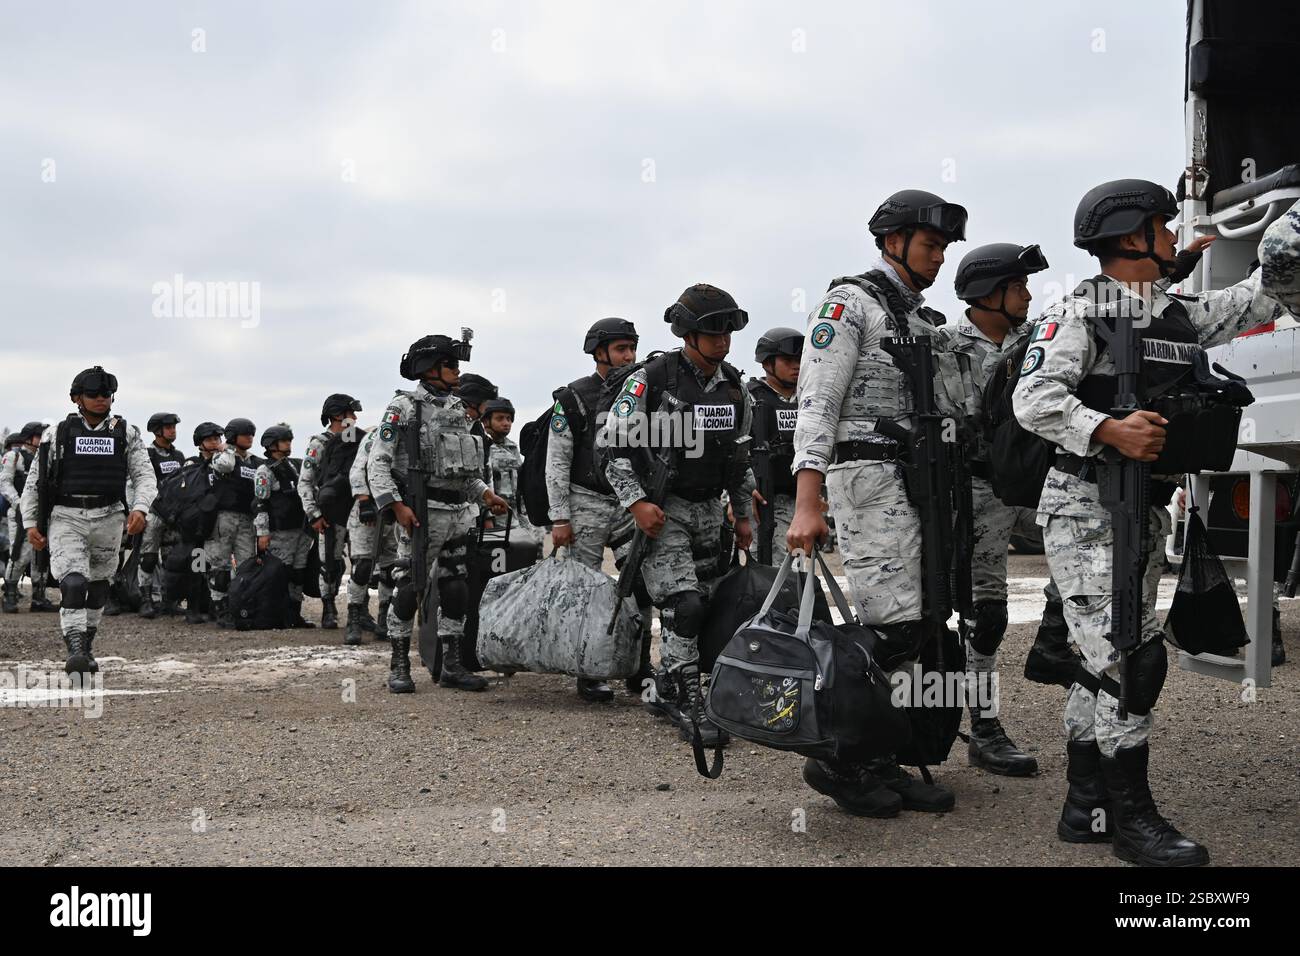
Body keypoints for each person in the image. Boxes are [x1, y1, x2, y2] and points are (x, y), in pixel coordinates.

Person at [1014, 182, 1300, 866]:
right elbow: (1034, 396)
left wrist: (1287, 237)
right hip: (1085, 505)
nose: (1176, 237)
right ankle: (1131, 821)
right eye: (1163, 227)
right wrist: (1107, 427)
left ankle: (1087, 805)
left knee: (1100, 658)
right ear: (1130, 236)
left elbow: (1259, 299)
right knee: (1129, 661)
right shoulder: (1082, 309)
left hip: (1137, 506)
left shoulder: (1171, 313)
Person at [787, 188, 969, 817]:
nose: (940, 257)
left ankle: (884, 754)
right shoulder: (848, 305)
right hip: (866, 478)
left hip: (920, 480)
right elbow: (816, 403)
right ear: (893, 241)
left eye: (945, 248)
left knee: (920, 623)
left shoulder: (919, 317)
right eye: (930, 244)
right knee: (890, 626)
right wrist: (807, 501)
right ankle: (840, 757)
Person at [599, 285, 755, 747]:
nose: (723, 338)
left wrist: (742, 516)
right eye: (713, 330)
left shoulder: (734, 387)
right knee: (683, 605)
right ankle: (689, 700)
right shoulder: (652, 379)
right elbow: (613, 448)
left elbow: (740, 461)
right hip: (662, 508)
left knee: (706, 604)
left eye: (729, 329)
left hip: (712, 509)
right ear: (688, 333)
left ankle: (669, 679)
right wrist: (636, 503)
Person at [366, 333, 508, 693]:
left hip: (459, 511)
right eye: (451, 365)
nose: (458, 372)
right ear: (430, 368)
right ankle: (399, 664)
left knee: (456, 587)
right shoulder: (404, 407)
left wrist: (486, 494)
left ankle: (452, 665)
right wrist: (395, 505)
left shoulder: (459, 409)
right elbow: (378, 462)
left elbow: (465, 469)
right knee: (410, 587)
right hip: (421, 512)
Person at [19, 367, 156, 673]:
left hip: (109, 517)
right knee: (73, 582)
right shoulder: (58, 434)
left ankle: (87, 642)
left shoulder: (127, 433)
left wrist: (141, 508)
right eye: (92, 394)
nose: (100, 400)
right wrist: (30, 524)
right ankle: (76, 649)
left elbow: (145, 475)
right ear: (76, 398)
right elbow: (34, 482)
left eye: (105, 395)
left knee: (98, 587)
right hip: (66, 518)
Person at [546, 318, 654, 701]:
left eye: (632, 348)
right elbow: (557, 461)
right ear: (598, 352)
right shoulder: (573, 398)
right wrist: (560, 517)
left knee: (641, 585)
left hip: (630, 505)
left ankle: (640, 667)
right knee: (585, 591)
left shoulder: (644, 390)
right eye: (621, 349)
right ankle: (588, 669)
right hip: (585, 503)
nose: (629, 355)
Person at [298, 394, 368, 631]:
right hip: (330, 514)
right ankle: (329, 608)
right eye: (351, 413)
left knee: (362, 561)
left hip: (357, 510)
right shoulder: (319, 443)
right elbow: (305, 482)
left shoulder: (359, 441)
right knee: (329, 563)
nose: (355, 418)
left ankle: (362, 610)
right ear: (338, 416)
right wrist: (314, 514)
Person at [747, 327, 804, 566]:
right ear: (768, 363)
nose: (797, 366)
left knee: (796, 570)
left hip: (800, 499)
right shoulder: (750, 397)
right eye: (788, 360)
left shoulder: (809, 397)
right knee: (768, 568)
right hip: (762, 500)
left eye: (800, 360)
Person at [253, 424, 314, 627]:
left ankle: (294, 614)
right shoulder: (264, 471)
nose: (288, 444)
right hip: (280, 532)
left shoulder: (294, 466)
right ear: (272, 445)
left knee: (298, 573)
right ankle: (280, 614)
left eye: (289, 440)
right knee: (282, 573)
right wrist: (262, 533)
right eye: (284, 441)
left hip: (301, 529)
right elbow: (260, 503)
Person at [206, 418, 260, 628]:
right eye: (245, 433)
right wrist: (227, 448)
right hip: (224, 517)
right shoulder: (223, 456)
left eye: (251, 434)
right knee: (220, 567)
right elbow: (227, 467)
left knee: (246, 566)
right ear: (233, 436)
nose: (249, 437)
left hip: (247, 518)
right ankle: (220, 607)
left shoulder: (254, 461)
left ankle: (240, 606)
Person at [344, 423, 393, 645]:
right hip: (370, 510)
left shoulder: (415, 436)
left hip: (396, 509)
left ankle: (384, 618)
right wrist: (363, 500)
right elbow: (357, 468)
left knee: (391, 568)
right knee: (363, 566)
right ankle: (353, 618)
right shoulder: (377, 435)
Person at [137, 412, 187, 618]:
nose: (173, 430)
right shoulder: (148, 454)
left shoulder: (179, 456)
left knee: (172, 560)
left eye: (174, 427)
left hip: (173, 515)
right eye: (168, 427)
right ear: (157, 431)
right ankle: (146, 600)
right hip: (154, 512)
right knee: (148, 558)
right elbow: (139, 482)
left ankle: (169, 600)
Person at [2, 422, 56, 613]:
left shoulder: (45, 457)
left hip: (42, 513)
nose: (43, 439)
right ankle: (9, 595)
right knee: (20, 553)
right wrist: (19, 503)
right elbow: (5, 484)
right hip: (18, 513)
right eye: (39, 436)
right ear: (29, 438)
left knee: (40, 553)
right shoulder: (14, 457)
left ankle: (39, 597)